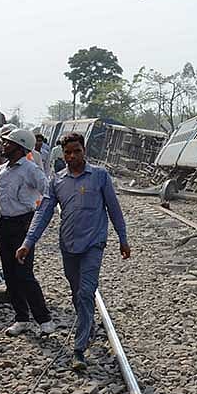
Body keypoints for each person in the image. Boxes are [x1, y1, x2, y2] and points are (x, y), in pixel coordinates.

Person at [18, 132, 130, 371]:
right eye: (68, 152)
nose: (72, 156)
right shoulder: (57, 181)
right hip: (69, 246)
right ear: (63, 154)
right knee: (77, 292)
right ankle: (86, 323)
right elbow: (44, 212)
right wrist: (28, 242)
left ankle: (79, 350)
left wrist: (123, 238)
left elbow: (114, 209)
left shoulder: (100, 176)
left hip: (94, 244)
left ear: (84, 151)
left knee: (86, 292)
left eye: (76, 151)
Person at [0, 128, 54, 336]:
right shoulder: (3, 170)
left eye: (8, 143)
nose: (3, 145)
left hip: (23, 225)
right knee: (10, 275)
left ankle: (44, 320)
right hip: (5, 225)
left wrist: (36, 220)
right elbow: (0, 196)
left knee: (24, 274)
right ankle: (22, 318)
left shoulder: (30, 170)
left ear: (20, 147)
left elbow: (49, 193)